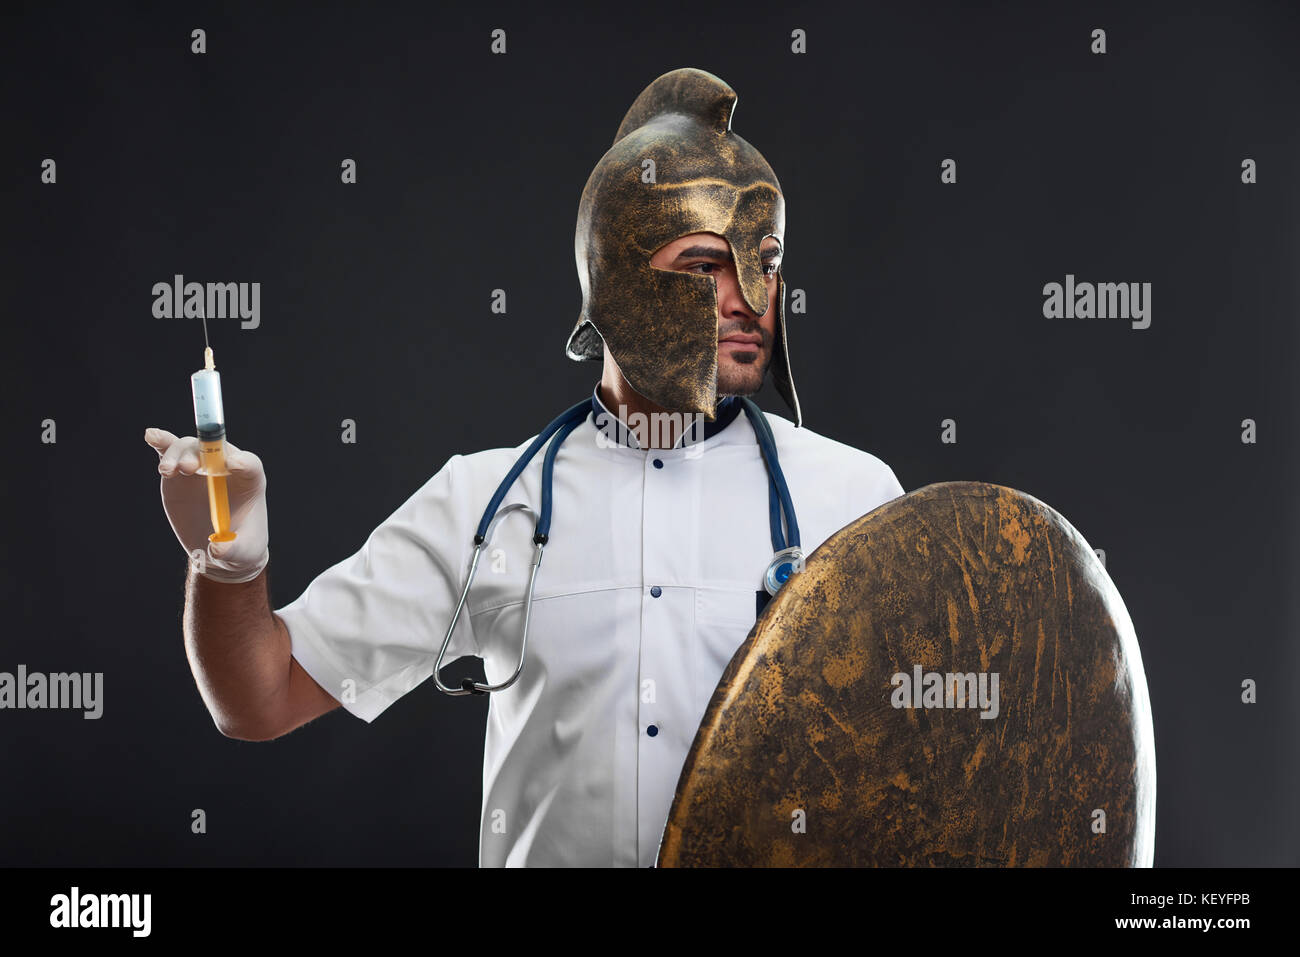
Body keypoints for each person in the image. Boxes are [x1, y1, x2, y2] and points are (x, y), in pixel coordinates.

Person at [143, 67, 905, 867]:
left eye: (766, 261)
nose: (750, 296)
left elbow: (927, 775)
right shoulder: (486, 502)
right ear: (613, 276)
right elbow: (257, 697)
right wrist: (228, 562)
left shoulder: (854, 501)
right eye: (707, 265)